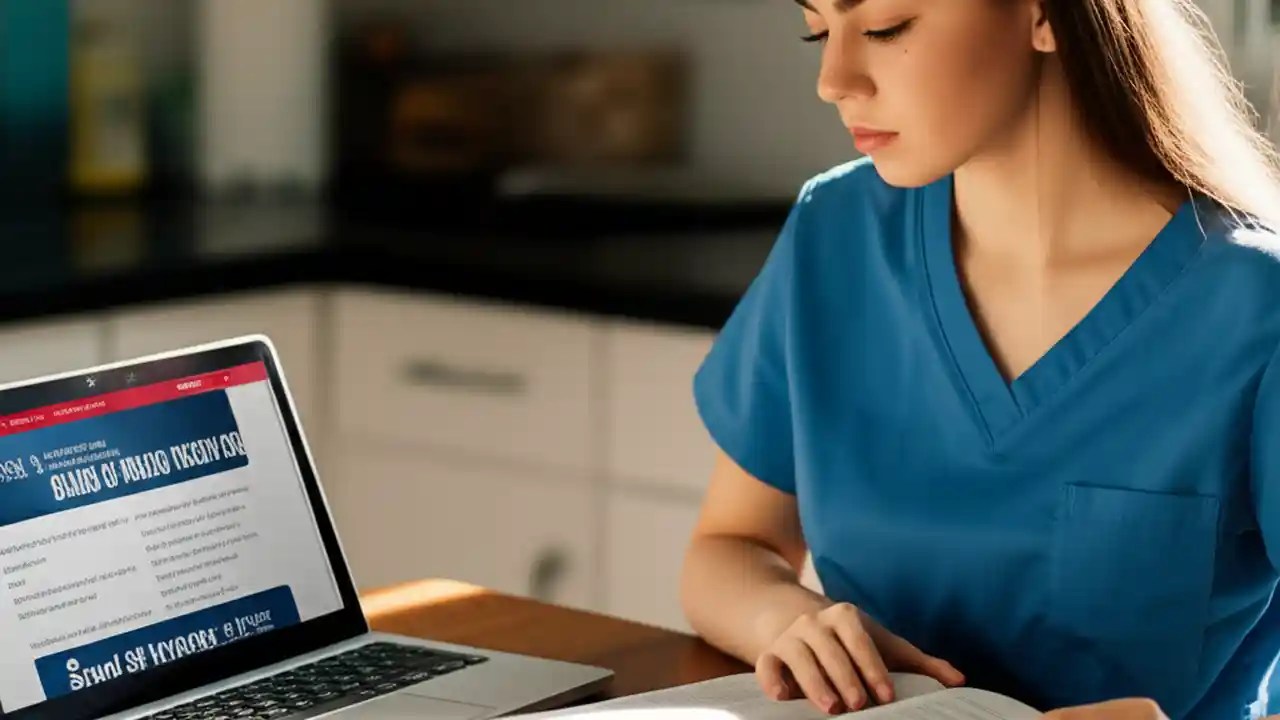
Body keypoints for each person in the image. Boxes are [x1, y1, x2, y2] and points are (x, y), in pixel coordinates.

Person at [679, 1, 1280, 719]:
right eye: (818, 30)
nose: (833, 79)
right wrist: (785, 619)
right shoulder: (834, 236)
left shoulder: (1253, 308)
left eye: (883, 27)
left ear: (1044, 14)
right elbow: (730, 545)